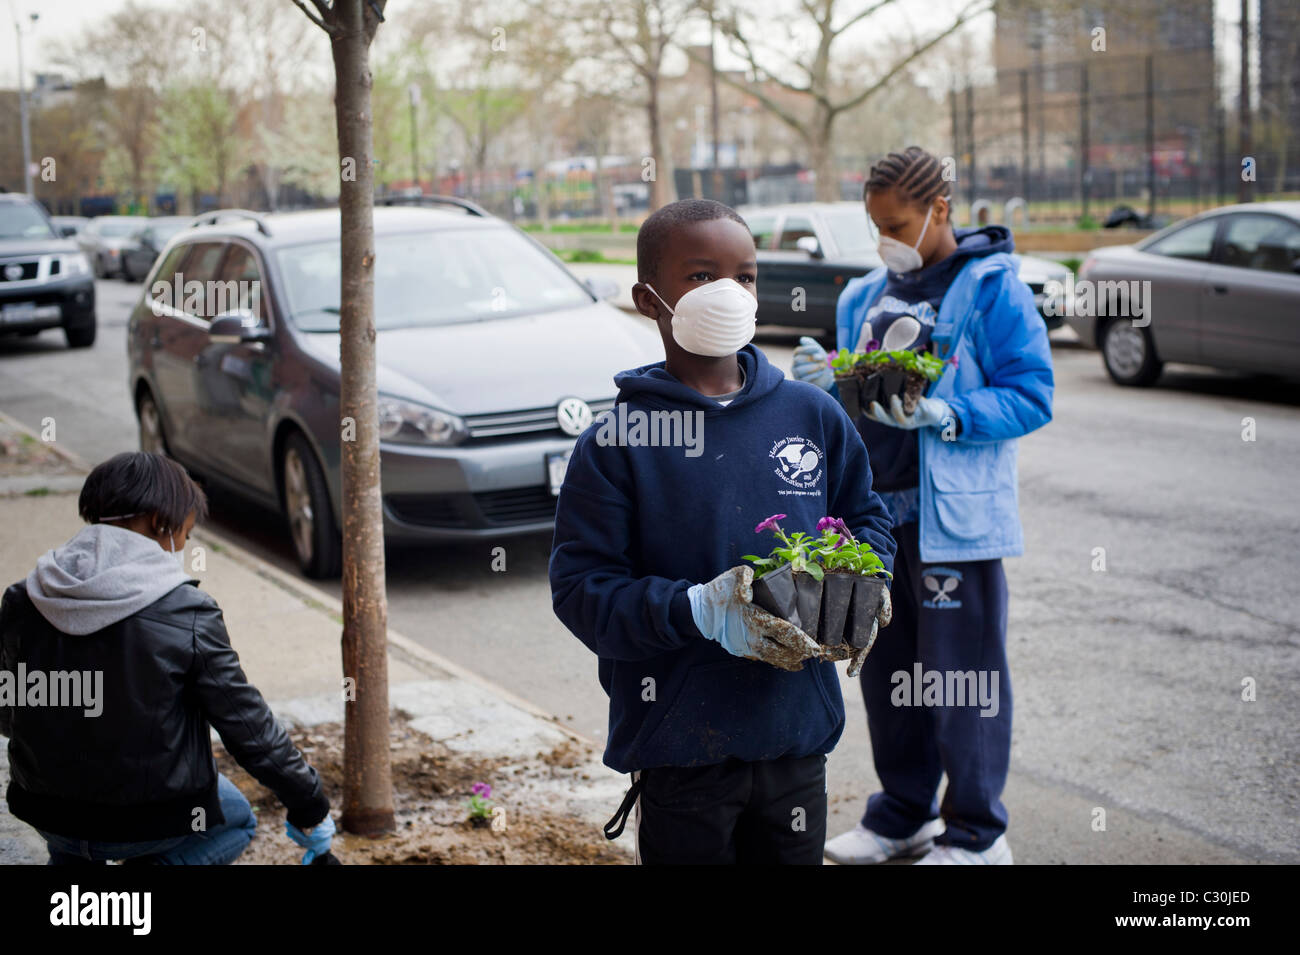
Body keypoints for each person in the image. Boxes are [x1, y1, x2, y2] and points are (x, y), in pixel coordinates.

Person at [549, 198, 897, 864]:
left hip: (796, 734)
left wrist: (866, 578)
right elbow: (581, 590)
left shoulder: (810, 414)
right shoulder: (619, 442)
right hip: (682, 749)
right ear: (649, 299)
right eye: (701, 276)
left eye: (745, 276)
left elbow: (867, 518)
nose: (731, 294)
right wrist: (696, 609)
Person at [792, 146, 1054, 864]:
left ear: (941, 209)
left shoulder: (991, 287)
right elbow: (852, 407)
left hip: (953, 527)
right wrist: (821, 387)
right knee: (889, 675)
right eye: (874, 222)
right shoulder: (861, 295)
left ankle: (975, 834)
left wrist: (945, 411)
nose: (884, 237)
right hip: (877, 521)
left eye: (896, 222)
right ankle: (902, 813)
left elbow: (1033, 393)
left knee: (961, 678)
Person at [0, 451, 335, 865]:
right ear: (161, 523)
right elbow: (249, 729)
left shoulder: (24, 598)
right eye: (186, 534)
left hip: (46, 811)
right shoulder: (186, 611)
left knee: (73, 827)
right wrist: (310, 804)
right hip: (148, 823)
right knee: (237, 819)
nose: (182, 546)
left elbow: (7, 713)